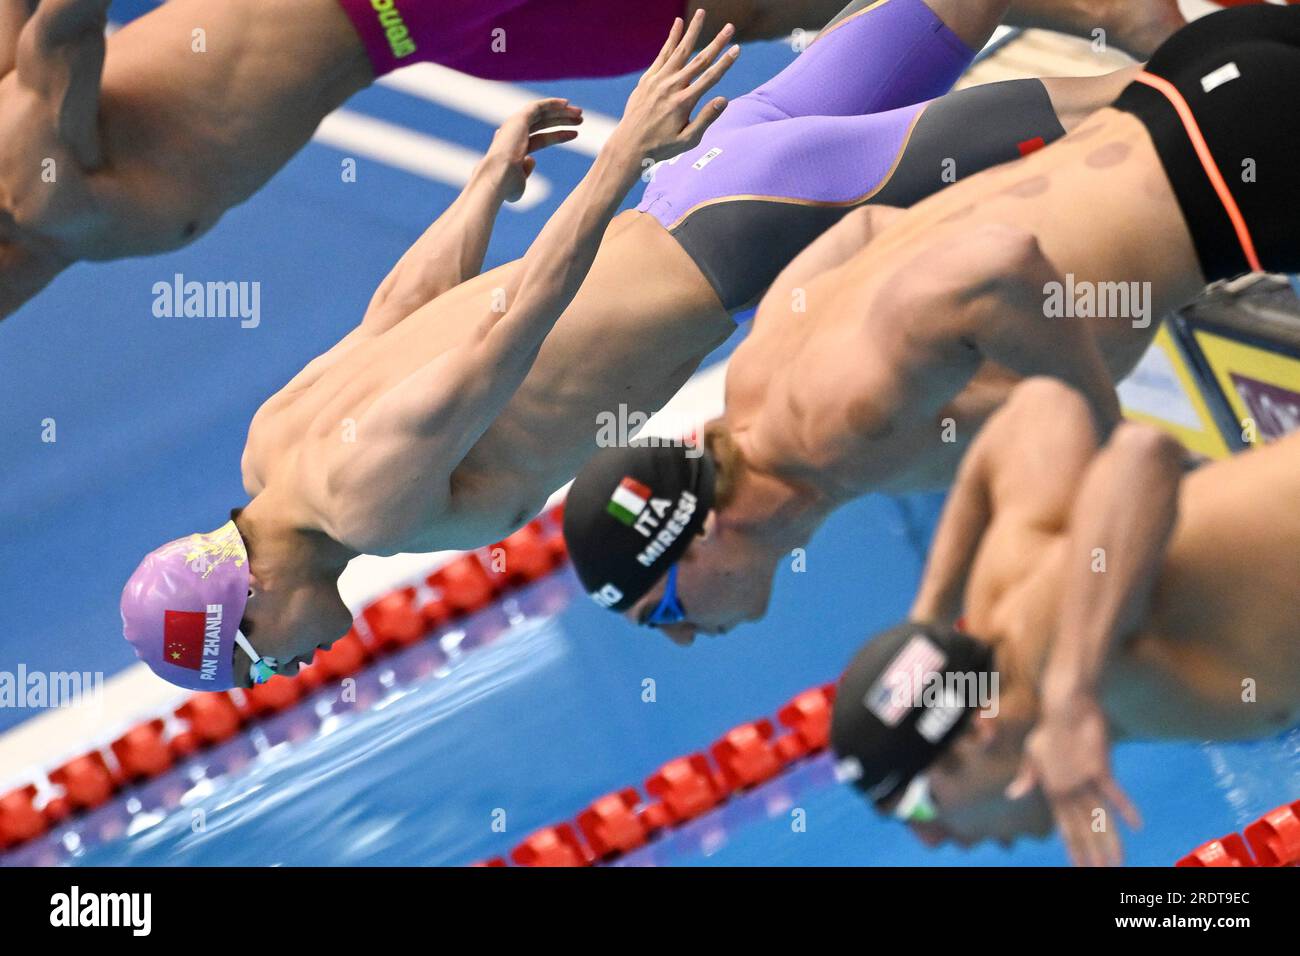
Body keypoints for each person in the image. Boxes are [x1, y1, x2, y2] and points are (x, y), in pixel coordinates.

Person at [120, 0, 1146, 689]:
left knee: (1117, 128)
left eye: (257, 656)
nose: (284, 669)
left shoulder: (362, 505)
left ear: (253, 594)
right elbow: (397, 310)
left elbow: (506, 333)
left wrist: (618, 149)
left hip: (728, 233)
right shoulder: (269, 447)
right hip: (697, 200)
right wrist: (482, 189)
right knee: (956, 10)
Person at [563, 2, 1300, 645]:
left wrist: (1097, 430)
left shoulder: (825, 428)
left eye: (664, 615)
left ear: (694, 542)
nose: (687, 639)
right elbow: (867, 231)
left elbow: (995, 267)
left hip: (1233, 166)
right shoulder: (762, 380)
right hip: (1194, 102)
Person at [0, 0, 1182, 320]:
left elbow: (60, 32)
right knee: (747, 15)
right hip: (418, 36)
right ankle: (1125, 20)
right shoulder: (55, 214)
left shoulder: (37, 186)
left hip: (399, 10)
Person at [829, 377, 1300, 865]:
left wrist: (1071, 696)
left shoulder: (1052, 649)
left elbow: (1140, 458)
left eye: (919, 809)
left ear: (974, 733)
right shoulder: (1008, 590)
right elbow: (1039, 406)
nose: (935, 840)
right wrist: (928, 618)